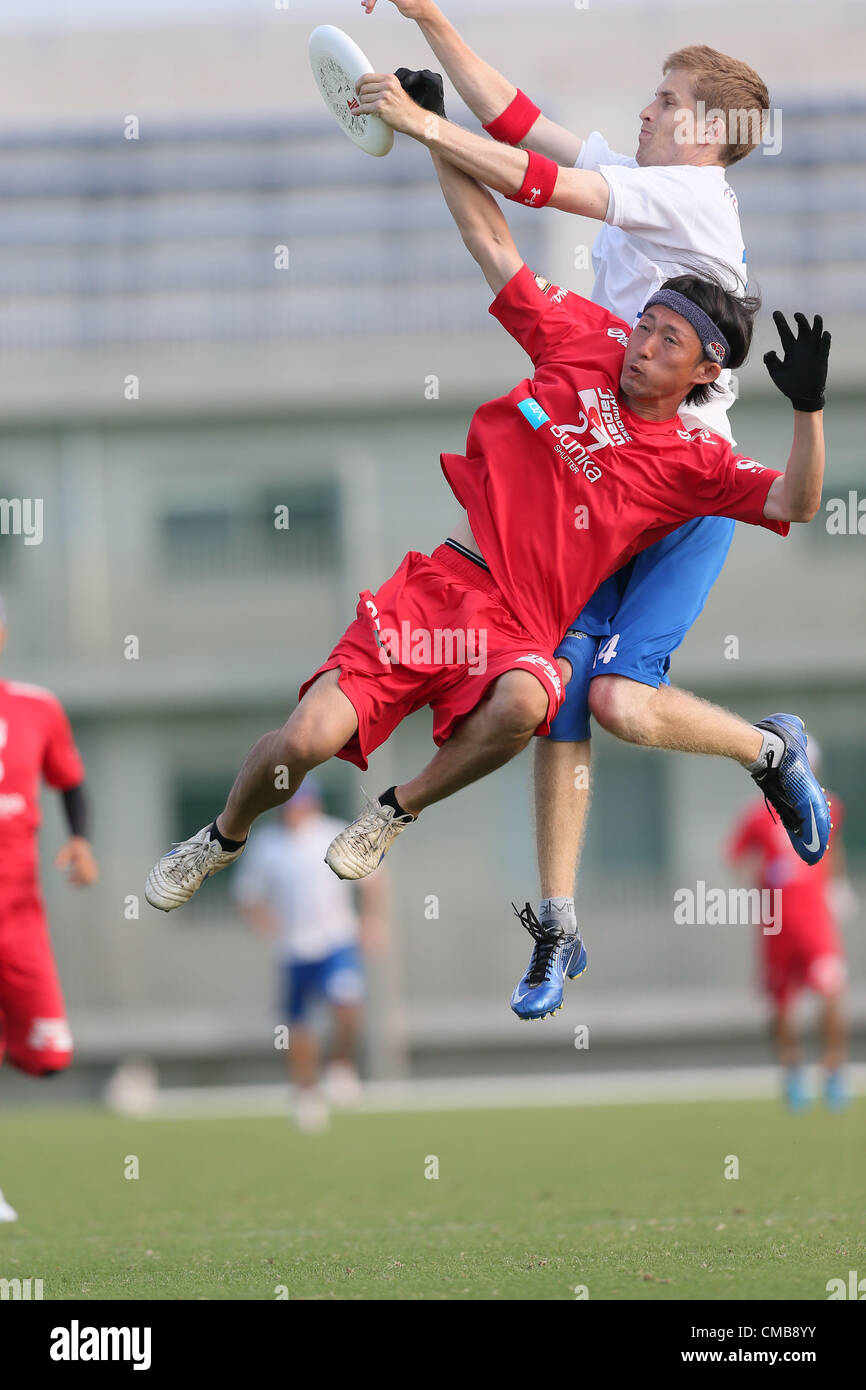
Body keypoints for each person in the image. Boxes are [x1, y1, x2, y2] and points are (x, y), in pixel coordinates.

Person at [145, 92, 829, 981]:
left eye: (666, 340)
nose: (642, 345)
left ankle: (396, 810)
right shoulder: (586, 341)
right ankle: (221, 836)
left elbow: (798, 505)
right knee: (306, 740)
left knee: (536, 702)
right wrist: (433, 132)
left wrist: (809, 410)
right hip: (441, 589)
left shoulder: (692, 459)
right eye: (646, 323)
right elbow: (493, 242)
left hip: (521, 631)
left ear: (705, 370)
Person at [0, 595, 99, 1220]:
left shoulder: (37, 705)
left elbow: (68, 778)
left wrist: (81, 840)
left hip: (19, 910)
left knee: (51, 1055)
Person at [232, 779, 388, 1133]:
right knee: (298, 1026)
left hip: (336, 941)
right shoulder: (268, 846)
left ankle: (340, 1065)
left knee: (347, 1004)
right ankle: (306, 1092)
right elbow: (247, 895)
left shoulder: (333, 835)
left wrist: (372, 920)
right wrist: (262, 920)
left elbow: (375, 879)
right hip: (293, 949)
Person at [729, 742, 854, 1111]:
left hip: (815, 921)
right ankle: (794, 1071)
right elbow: (739, 860)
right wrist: (765, 881)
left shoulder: (827, 805)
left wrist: (835, 886)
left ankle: (833, 1071)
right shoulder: (758, 816)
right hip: (778, 925)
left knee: (831, 990)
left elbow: (835, 848)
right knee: (782, 1002)